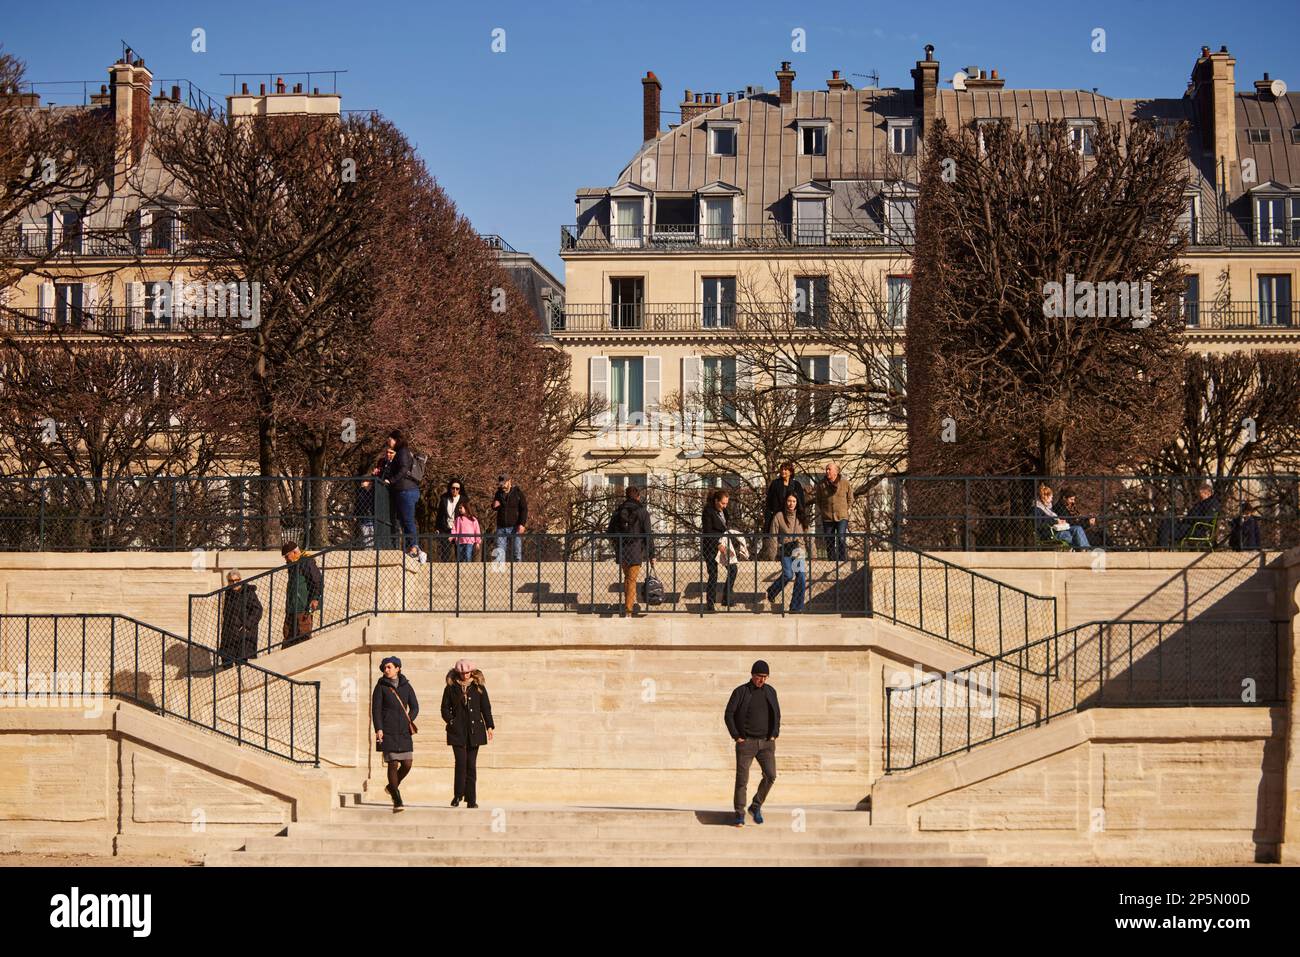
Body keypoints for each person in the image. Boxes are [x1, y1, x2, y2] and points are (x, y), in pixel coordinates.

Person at [724, 660, 780, 827]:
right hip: (746, 742)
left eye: (765, 677)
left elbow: (777, 713)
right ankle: (739, 814)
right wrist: (737, 736)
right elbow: (728, 714)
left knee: (770, 775)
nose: (762, 680)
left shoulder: (771, 691)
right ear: (752, 675)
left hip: (766, 743)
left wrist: (774, 734)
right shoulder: (741, 691)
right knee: (742, 780)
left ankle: (755, 806)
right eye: (759, 676)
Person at [441, 658, 494, 808]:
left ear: (472, 672)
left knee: (471, 764)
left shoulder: (479, 687)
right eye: (462, 673)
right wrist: (451, 721)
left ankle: (471, 799)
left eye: (468, 672)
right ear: (458, 673)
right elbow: (444, 708)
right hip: (456, 731)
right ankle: (458, 795)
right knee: (460, 763)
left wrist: (489, 726)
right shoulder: (450, 688)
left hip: (475, 731)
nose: (465, 675)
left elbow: (486, 708)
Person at [372, 656, 419, 813]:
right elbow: (376, 710)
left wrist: (408, 720)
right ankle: (397, 799)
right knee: (393, 763)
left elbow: (415, 707)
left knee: (407, 763)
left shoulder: (406, 686)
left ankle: (391, 787)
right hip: (388, 729)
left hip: (404, 731)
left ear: (398, 668)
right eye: (384, 668)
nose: (386, 670)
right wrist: (379, 728)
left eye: (389, 667)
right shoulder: (380, 687)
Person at [608, 484, 654, 618]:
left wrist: (617, 544)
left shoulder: (618, 511)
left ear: (626, 497)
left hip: (622, 549)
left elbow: (610, 531)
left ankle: (627, 607)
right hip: (636, 549)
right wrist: (652, 554)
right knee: (631, 579)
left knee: (628, 578)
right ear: (638, 497)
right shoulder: (643, 512)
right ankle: (628, 610)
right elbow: (648, 534)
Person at [381, 430, 425, 563]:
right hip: (404, 491)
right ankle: (412, 547)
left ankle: (415, 548)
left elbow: (404, 469)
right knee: (405, 521)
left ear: (396, 439)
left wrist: (391, 480)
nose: (388, 442)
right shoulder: (401, 452)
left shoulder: (403, 452)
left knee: (408, 520)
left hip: (406, 491)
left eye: (390, 440)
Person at [763, 492, 808, 612]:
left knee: (801, 577)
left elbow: (808, 536)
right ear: (785, 502)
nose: (791, 504)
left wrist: (812, 553)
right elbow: (773, 535)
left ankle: (796, 607)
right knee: (788, 575)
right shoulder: (779, 516)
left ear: (797, 502)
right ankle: (772, 591)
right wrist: (772, 554)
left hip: (798, 549)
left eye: (793, 501)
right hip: (784, 548)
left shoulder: (801, 516)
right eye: (789, 501)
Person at [701, 488, 738, 612]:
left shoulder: (725, 512)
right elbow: (708, 531)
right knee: (713, 574)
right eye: (723, 503)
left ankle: (726, 597)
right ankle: (710, 603)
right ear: (716, 501)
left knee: (733, 568)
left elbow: (726, 528)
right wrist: (717, 544)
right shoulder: (708, 511)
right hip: (711, 547)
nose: (724, 506)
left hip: (723, 544)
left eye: (726, 503)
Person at [280, 541, 322, 648]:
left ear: (294, 552)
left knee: (303, 637)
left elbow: (317, 581)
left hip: (303, 607)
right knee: (288, 636)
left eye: (286, 556)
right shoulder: (293, 564)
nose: (286, 559)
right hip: (291, 608)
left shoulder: (306, 562)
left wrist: (315, 599)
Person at [218, 569, 262, 667]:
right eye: (231, 581)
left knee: (241, 663)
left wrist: (246, 625)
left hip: (242, 634)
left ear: (240, 580)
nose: (234, 583)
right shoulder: (228, 593)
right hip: (229, 635)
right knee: (226, 661)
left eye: (237, 580)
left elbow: (257, 610)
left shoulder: (248, 592)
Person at [1158, 482, 1220, 547]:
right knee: (1167, 521)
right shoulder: (1201, 503)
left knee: (1167, 527)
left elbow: (1205, 519)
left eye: (1201, 494)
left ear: (1207, 493)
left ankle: (1162, 547)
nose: (1199, 497)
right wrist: (1184, 518)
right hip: (1188, 526)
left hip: (1196, 529)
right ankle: (1162, 546)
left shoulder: (1212, 504)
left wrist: (1191, 519)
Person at [814, 461, 854, 560]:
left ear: (836, 472)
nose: (827, 471)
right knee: (829, 540)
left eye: (829, 469)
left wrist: (847, 508)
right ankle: (831, 561)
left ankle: (841, 560)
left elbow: (850, 498)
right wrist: (822, 511)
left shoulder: (844, 483)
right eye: (826, 469)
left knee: (841, 538)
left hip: (842, 516)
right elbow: (818, 500)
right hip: (827, 517)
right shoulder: (821, 484)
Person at [1033, 485, 1088, 550]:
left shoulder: (1048, 508)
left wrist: (1060, 521)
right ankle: (1083, 551)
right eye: (1051, 497)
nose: (1052, 499)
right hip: (1049, 533)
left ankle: (1086, 549)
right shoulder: (1037, 509)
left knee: (1078, 529)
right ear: (1045, 496)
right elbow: (1038, 524)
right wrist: (1056, 521)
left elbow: (1053, 519)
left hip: (1058, 529)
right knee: (1071, 536)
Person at [763, 463, 805, 545]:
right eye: (781, 469)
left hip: (792, 516)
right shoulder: (775, 484)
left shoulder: (796, 485)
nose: (783, 471)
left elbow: (801, 502)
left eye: (785, 470)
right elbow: (769, 501)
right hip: (778, 515)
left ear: (790, 472)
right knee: (776, 540)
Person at [492, 473, 528, 563]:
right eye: (501, 484)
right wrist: (494, 506)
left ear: (509, 481)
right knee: (500, 552)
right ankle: (500, 574)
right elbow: (494, 506)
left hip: (515, 527)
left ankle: (518, 572)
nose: (502, 485)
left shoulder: (518, 493)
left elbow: (524, 509)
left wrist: (522, 524)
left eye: (504, 483)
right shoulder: (498, 493)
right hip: (501, 527)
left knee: (517, 552)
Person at [434, 479, 464, 562]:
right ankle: (444, 571)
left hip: (459, 529)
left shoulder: (463, 500)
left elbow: (468, 514)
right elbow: (440, 514)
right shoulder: (444, 498)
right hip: (445, 528)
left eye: (457, 489)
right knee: (445, 552)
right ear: (450, 488)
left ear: (460, 490)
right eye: (453, 488)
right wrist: (437, 527)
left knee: (459, 552)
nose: (455, 490)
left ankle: (460, 572)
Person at [354, 469, 378, 548]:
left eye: (363, 481)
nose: (361, 482)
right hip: (363, 515)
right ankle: (368, 548)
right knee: (365, 534)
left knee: (372, 533)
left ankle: (371, 548)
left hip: (372, 515)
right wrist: (355, 514)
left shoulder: (374, 492)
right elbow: (357, 503)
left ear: (369, 482)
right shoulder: (361, 492)